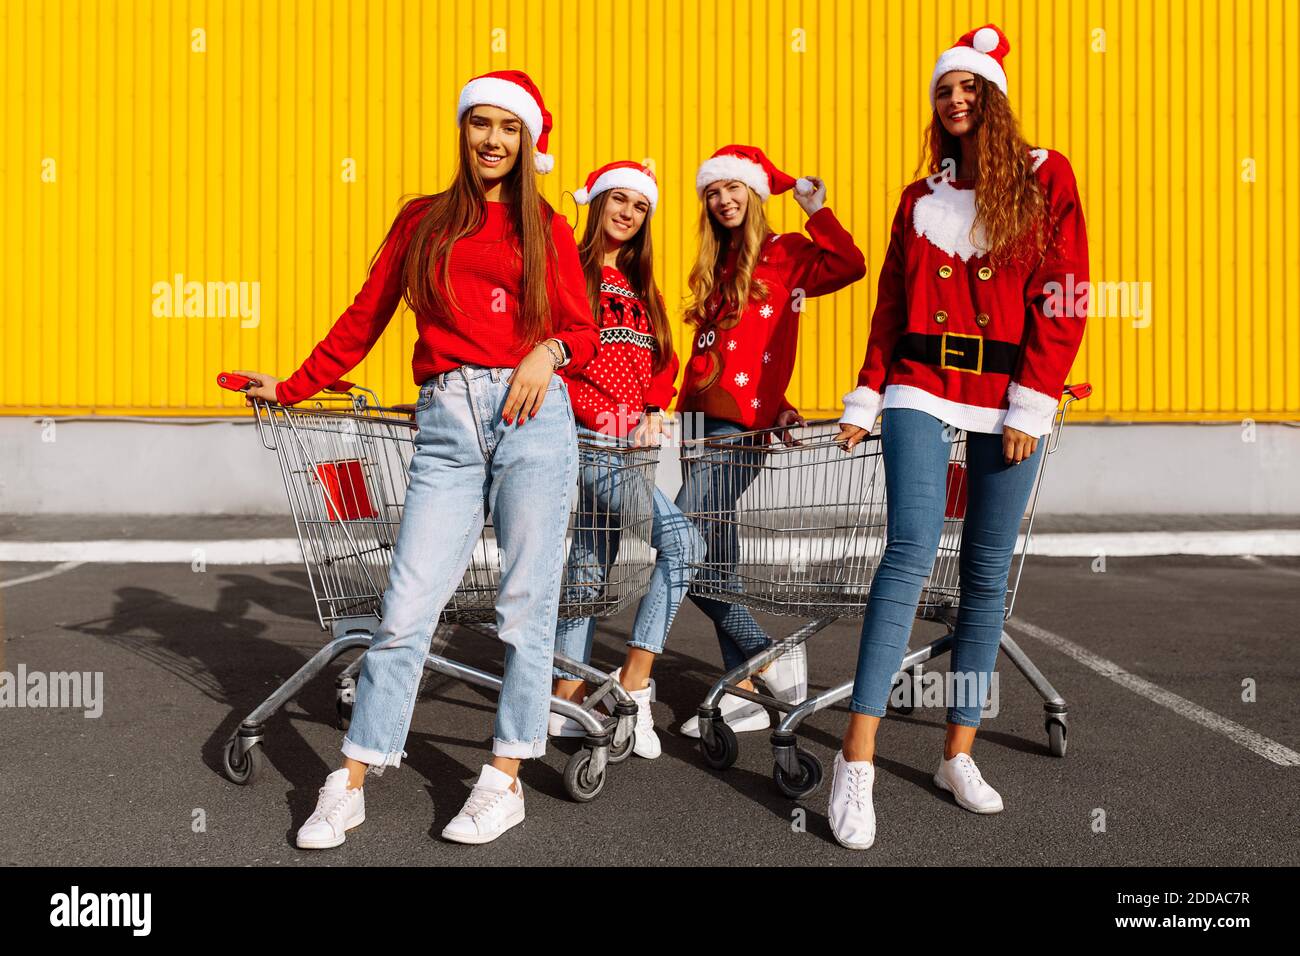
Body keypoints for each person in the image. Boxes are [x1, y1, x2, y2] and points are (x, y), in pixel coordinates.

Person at [237, 69, 599, 847]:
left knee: (524, 608)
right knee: (405, 609)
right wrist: (297, 385)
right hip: (447, 422)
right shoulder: (423, 221)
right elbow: (364, 317)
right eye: (480, 124)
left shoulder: (549, 230)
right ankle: (352, 778)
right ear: (463, 131)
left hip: (535, 418)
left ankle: (502, 780)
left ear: (527, 137)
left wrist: (550, 350)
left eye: (508, 127)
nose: (492, 139)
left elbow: (585, 327)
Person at [828, 25, 1090, 849]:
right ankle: (857, 758)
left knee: (985, 575)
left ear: (994, 99)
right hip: (919, 382)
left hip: (1010, 392)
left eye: (969, 88)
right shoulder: (919, 198)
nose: (956, 100)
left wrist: (1034, 400)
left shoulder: (1045, 178)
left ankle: (958, 750)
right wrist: (867, 393)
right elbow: (891, 305)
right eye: (945, 91)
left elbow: (1066, 289)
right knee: (907, 549)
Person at [675, 145, 868, 737]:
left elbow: (850, 264)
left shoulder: (787, 253)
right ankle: (745, 688)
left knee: (676, 544)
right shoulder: (716, 264)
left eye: (734, 189)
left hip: (738, 425)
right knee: (715, 557)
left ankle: (765, 654)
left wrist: (816, 209)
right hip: (695, 419)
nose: (723, 200)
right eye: (713, 191)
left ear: (755, 194)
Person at [547, 161, 706, 759]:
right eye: (617, 200)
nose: (627, 213)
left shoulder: (644, 291)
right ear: (597, 204)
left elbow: (659, 365)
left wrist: (655, 410)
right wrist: (600, 417)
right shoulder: (570, 272)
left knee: (590, 563)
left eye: (639, 207)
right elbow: (557, 356)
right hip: (589, 444)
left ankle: (563, 698)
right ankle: (634, 685)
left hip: (633, 447)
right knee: (685, 543)